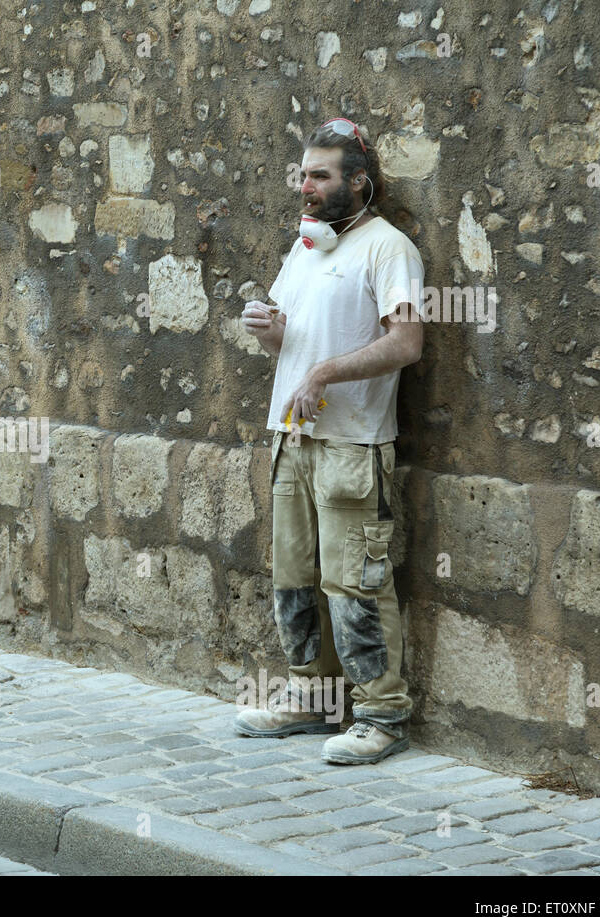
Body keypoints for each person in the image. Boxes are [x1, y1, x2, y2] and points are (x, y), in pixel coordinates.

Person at [234, 118, 425, 764]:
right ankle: (311, 697)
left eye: (320, 175)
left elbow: (407, 342)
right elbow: (294, 338)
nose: (306, 186)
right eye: (304, 174)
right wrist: (270, 331)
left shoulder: (388, 248)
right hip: (294, 438)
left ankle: (383, 714)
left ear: (359, 183)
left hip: (353, 443)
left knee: (356, 584)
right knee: (295, 577)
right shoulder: (309, 248)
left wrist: (323, 372)